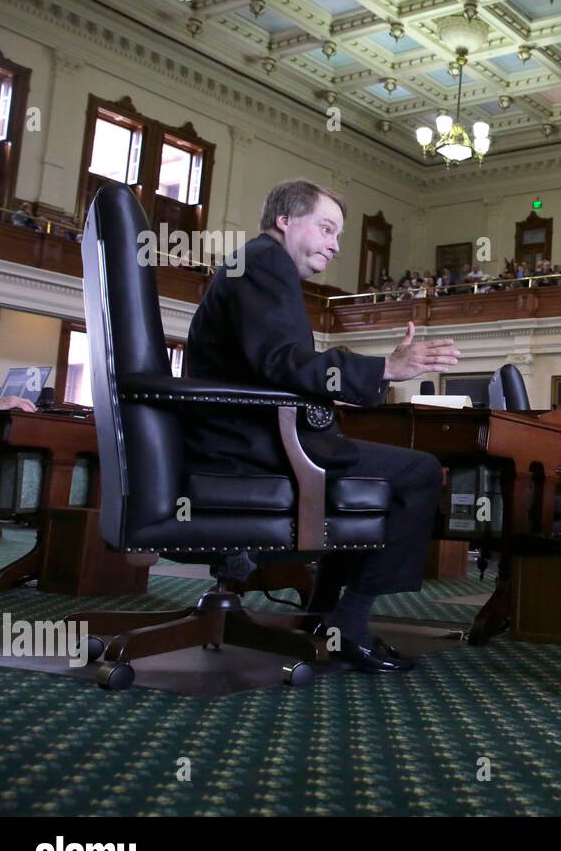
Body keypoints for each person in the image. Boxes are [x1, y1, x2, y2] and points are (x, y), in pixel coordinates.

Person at [185, 180, 462, 673]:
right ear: (285, 221)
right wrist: (385, 371)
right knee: (418, 472)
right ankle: (348, 623)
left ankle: (326, 616)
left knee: (379, 473)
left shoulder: (253, 262)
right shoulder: (265, 261)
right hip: (250, 445)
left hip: (239, 435)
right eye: (327, 228)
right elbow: (283, 362)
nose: (336, 244)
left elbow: (276, 364)